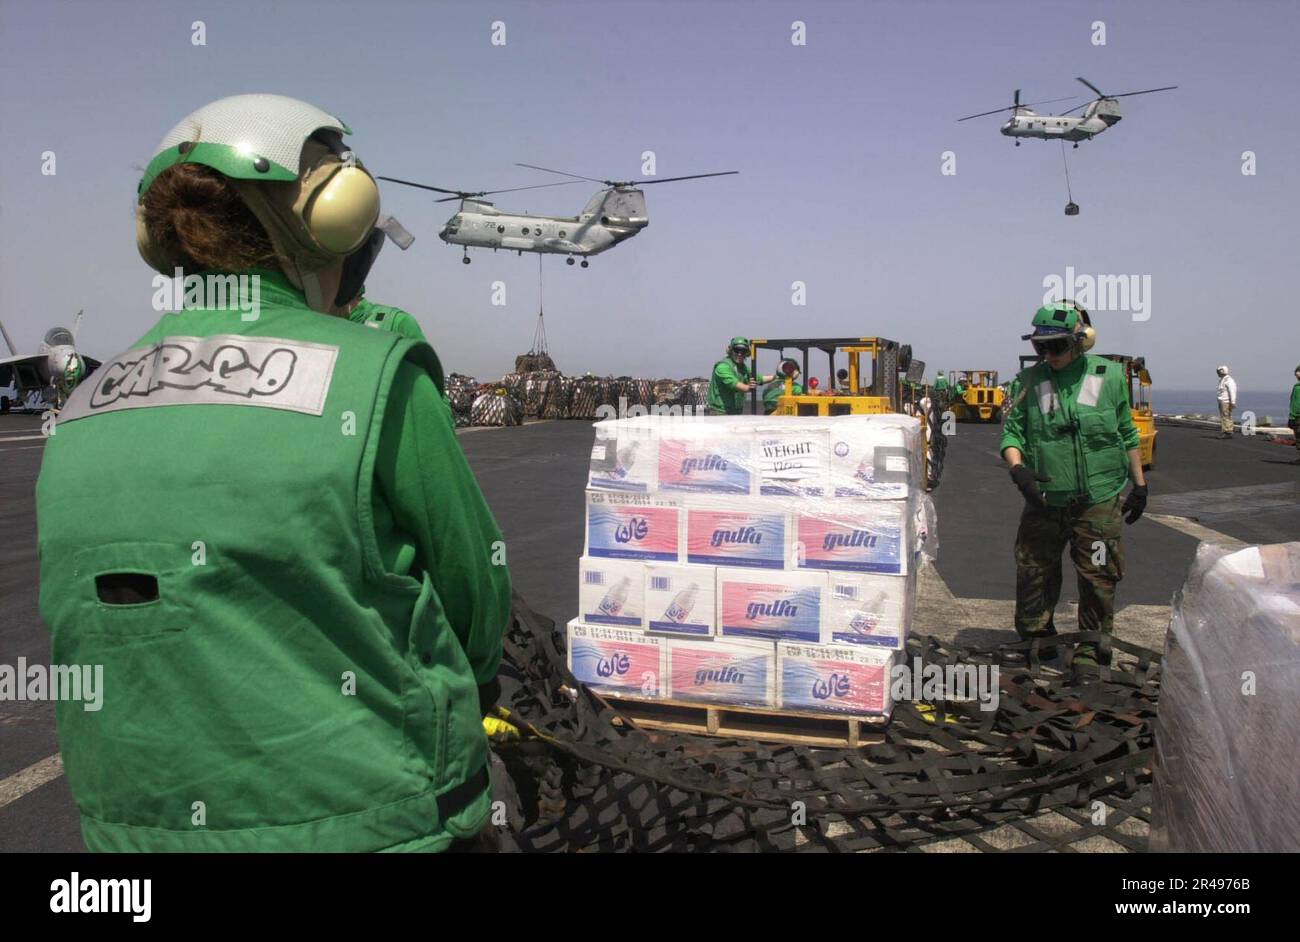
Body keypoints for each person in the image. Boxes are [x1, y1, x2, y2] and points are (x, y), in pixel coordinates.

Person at [36, 94, 512, 852]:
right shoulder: (378, 373)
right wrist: (478, 679)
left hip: (131, 843)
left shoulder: (87, 401)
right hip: (378, 823)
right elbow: (474, 590)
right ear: (330, 221)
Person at [1000, 302, 1148, 675]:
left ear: (1081, 341)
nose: (1049, 355)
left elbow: (1128, 433)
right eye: (1041, 347)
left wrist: (1140, 485)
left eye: (1057, 346)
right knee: (1033, 568)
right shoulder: (1031, 382)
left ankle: (1091, 648)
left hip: (1098, 500)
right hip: (1046, 498)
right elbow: (1012, 432)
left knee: (1098, 575)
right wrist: (1019, 472)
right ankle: (1037, 638)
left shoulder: (1108, 376)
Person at [707, 336, 771, 414]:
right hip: (720, 412)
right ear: (731, 351)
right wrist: (748, 387)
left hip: (736, 411)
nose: (740, 354)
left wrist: (777, 377)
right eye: (737, 350)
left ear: (746, 353)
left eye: (743, 351)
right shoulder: (723, 367)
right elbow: (734, 384)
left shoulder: (742, 367)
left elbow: (758, 378)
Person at [1216, 365, 1237, 438]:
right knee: (1225, 416)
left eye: (1219, 371)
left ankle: (1227, 432)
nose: (1217, 373)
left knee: (1226, 416)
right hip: (1222, 401)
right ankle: (1228, 431)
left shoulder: (1229, 380)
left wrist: (1233, 402)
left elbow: (1232, 392)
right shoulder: (1223, 380)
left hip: (1226, 401)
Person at [1289, 365, 1300, 464]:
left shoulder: (1297, 388)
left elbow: (1295, 404)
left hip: (1297, 417)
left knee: (1299, 436)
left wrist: (1292, 417)